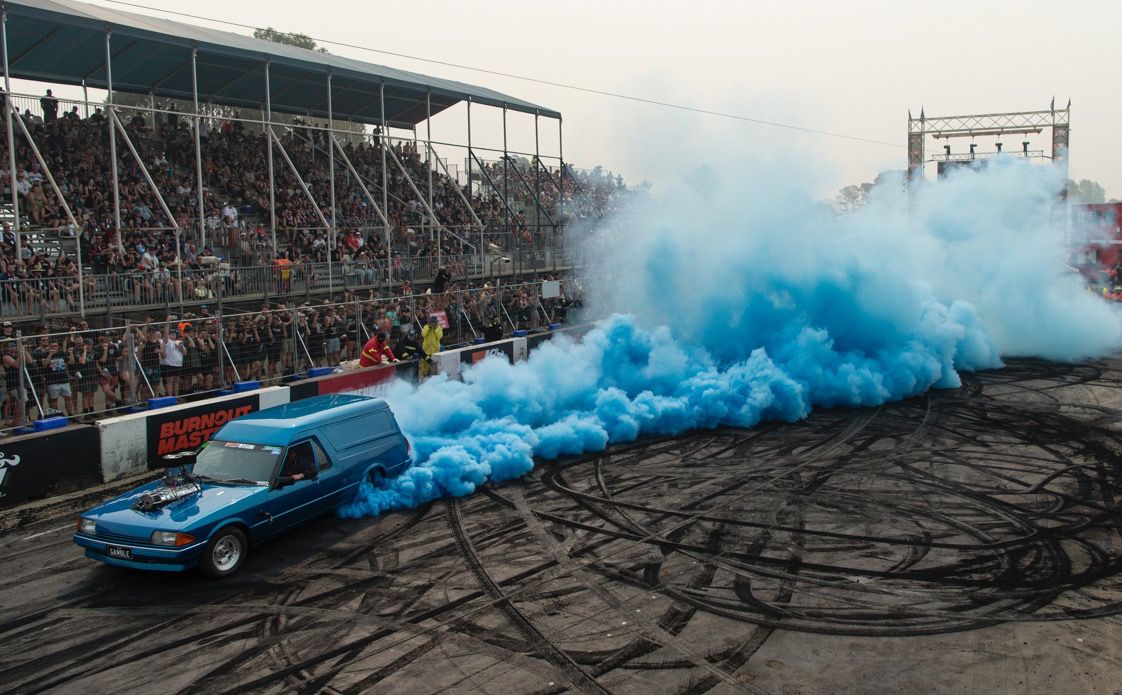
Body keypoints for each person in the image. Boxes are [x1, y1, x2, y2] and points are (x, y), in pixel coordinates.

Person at [419, 314, 442, 379]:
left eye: (434, 322)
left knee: (435, 366)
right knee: (424, 366)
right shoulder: (426, 327)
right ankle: (423, 377)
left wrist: (435, 329)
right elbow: (423, 334)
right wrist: (429, 328)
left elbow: (439, 336)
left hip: (435, 351)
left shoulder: (439, 328)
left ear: (436, 322)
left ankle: (434, 378)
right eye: (432, 322)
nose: (433, 323)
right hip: (426, 350)